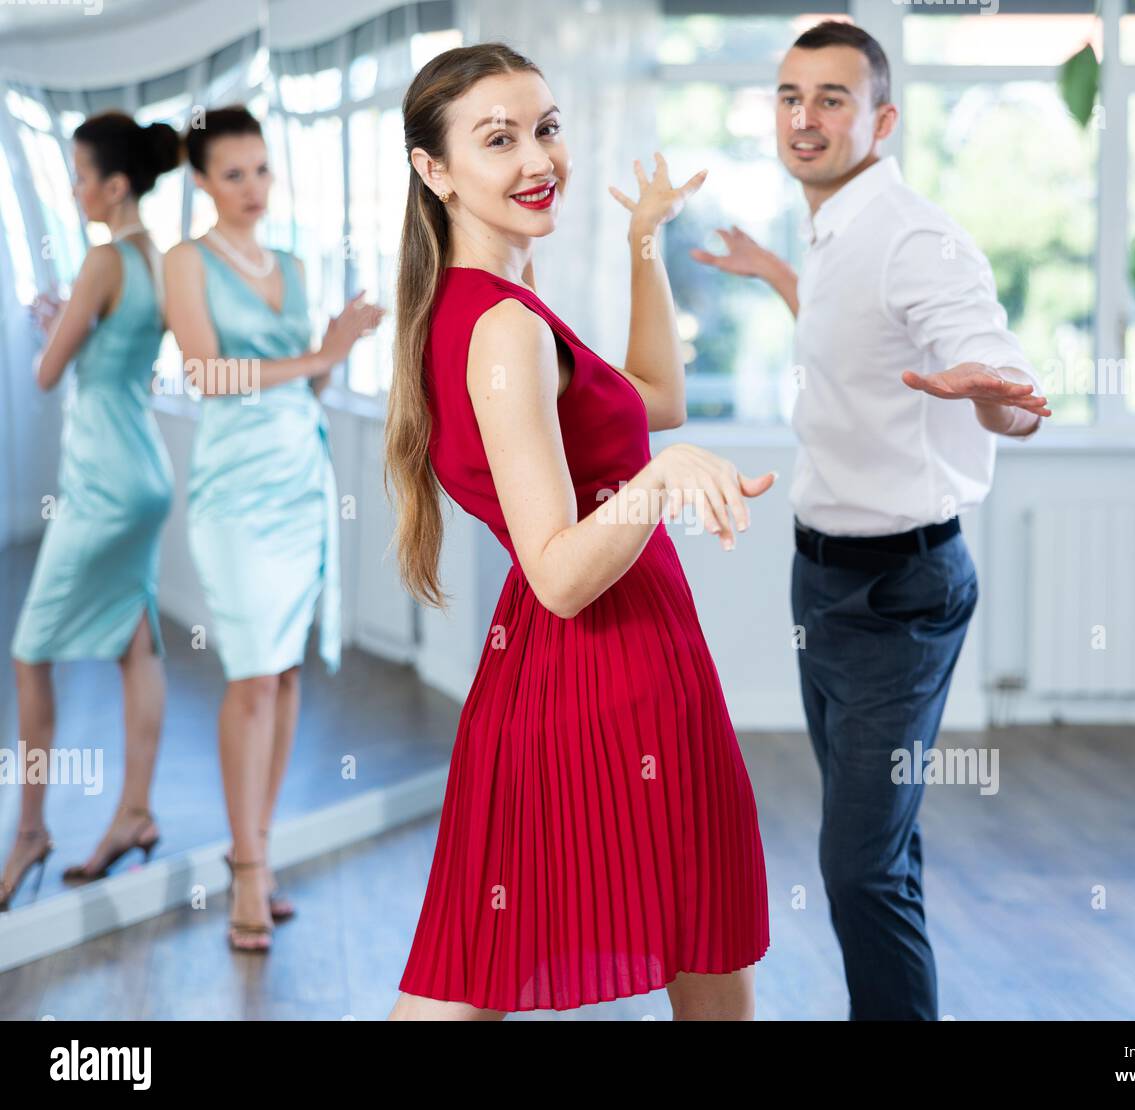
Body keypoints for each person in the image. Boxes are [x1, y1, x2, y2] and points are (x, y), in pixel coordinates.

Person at [385, 43, 774, 1020]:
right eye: (499, 139)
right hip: (604, 664)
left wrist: (644, 242)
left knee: (475, 963)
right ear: (434, 170)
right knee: (692, 930)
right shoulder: (502, 328)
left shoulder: (488, 311)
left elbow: (656, 399)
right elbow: (560, 574)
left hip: (572, 667)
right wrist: (655, 485)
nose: (537, 159)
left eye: (547, 128)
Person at [693, 20, 1051, 1020]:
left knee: (856, 866)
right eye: (790, 96)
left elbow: (1004, 381)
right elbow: (846, 323)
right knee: (881, 850)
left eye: (832, 98)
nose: (803, 117)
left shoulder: (914, 238)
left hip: (898, 592)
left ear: (882, 121)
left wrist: (994, 397)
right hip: (821, 582)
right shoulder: (834, 232)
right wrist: (774, 273)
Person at [163, 106, 383, 951]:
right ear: (201, 182)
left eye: (261, 169)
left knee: (285, 674)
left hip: (301, 483)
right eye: (233, 174)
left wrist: (333, 353)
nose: (253, 187)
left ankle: (256, 846)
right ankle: (248, 867)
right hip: (235, 494)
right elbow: (206, 374)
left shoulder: (291, 263)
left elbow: (308, 388)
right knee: (252, 676)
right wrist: (320, 356)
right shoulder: (187, 261)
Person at [2, 113, 179, 911]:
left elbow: (49, 374)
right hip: (146, 472)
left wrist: (56, 328)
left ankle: (29, 831)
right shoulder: (156, 257)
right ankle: (134, 812)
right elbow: (118, 353)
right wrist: (68, 327)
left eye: (80, 177)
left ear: (115, 185)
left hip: (103, 484)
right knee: (137, 646)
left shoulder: (105, 258)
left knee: (29, 652)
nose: (75, 190)